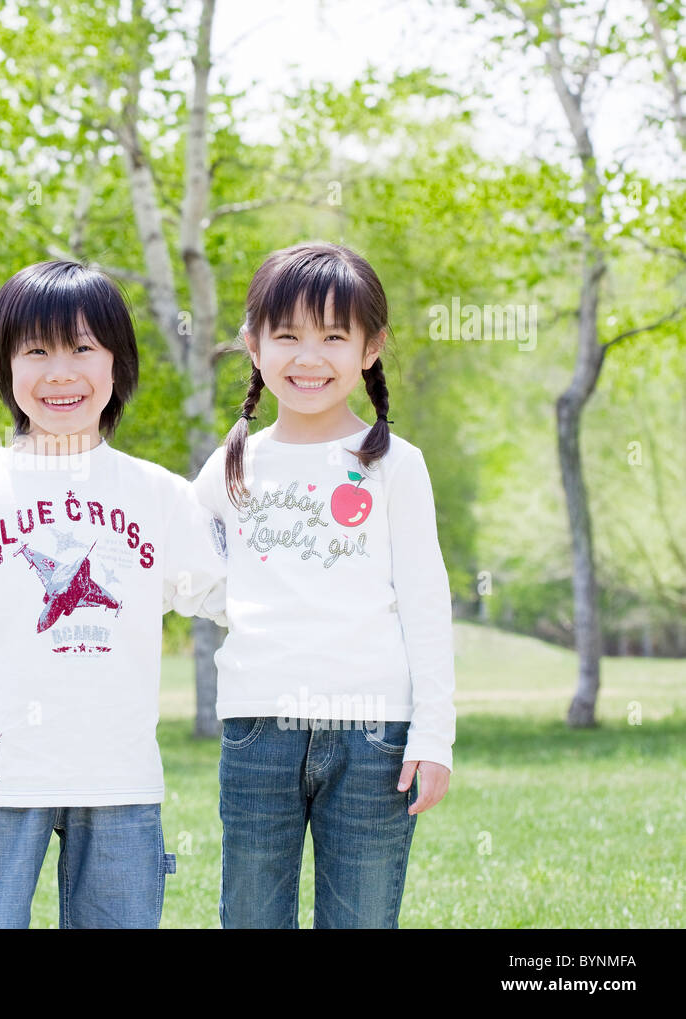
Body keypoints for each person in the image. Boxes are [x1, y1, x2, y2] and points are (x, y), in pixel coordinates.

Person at [0, 260, 227, 929]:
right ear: (6, 366)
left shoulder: (157, 492)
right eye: (36, 351)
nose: (60, 373)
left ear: (118, 363)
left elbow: (227, 593)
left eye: (82, 348)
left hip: (119, 773)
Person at [192, 241, 455, 929]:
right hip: (258, 727)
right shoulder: (233, 463)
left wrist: (434, 735)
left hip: (375, 735)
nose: (309, 357)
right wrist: (238, 600)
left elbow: (427, 604)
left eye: (334, 336)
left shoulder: (396, 465)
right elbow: (177, 562)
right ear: (254, 344)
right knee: (251, 914)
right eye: (288, 336)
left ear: (371, 347)